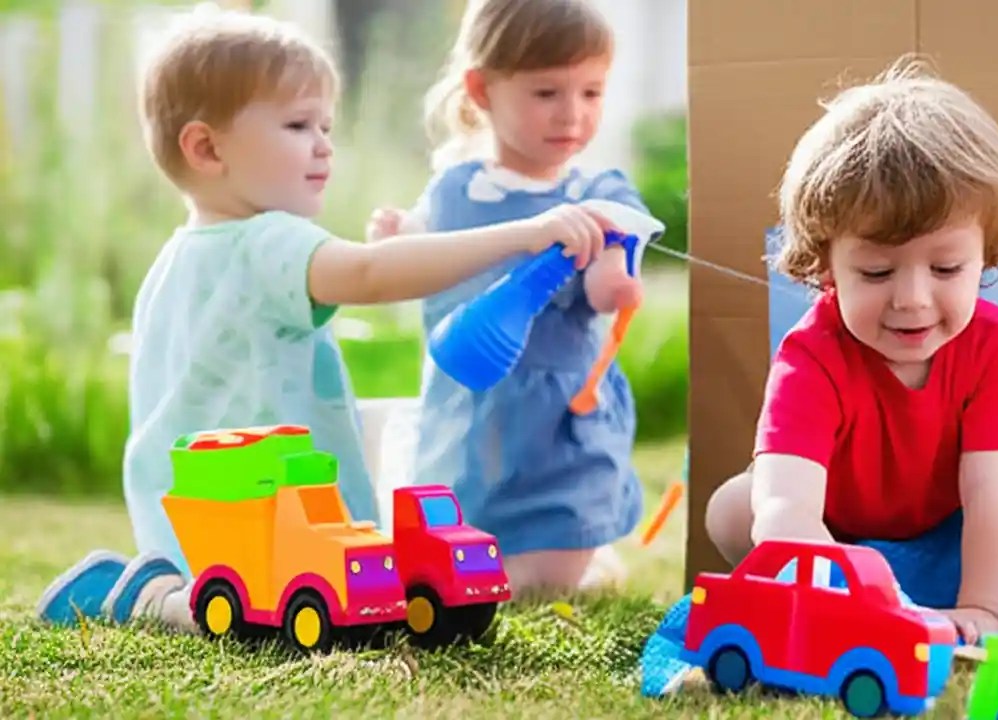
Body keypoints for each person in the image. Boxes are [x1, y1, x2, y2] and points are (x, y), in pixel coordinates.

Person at [36, 6, 613, 631]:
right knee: (273, 615)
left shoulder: (177, 259)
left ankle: (154, 584)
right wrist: (523, 235)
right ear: (206, 148)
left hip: (189, 511)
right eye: (297, 124)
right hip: (266, 519)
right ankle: (146, 601)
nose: (323, 145)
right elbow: (371, 273)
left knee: (286, 604)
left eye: (326, 126)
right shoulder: (270, 243)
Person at [704, 56, 998, 644]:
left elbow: (992, 492)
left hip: (952, 526)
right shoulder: (812, 356)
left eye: (945, 267)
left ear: (988, 256)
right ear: (824, 268)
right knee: (734, 507)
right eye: (876, 271)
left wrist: (983, 613)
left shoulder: (997, 346)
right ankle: (819, 595)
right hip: (837, 535)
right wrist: (867, 605)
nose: (912, 299)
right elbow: (786, 506)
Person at [368, 0, 659, 596]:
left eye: (591, 92)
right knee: (464, 528)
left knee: (547, 565)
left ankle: (563, 567)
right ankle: (516, 569)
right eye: (547, 92)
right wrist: (396, 239)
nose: (572, 115)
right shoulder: (454, 190)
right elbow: (411, 268)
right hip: (471, 410)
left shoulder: (601, 192)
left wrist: (617, 272)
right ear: (482, 90)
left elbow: (610, 291)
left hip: (559, 416)